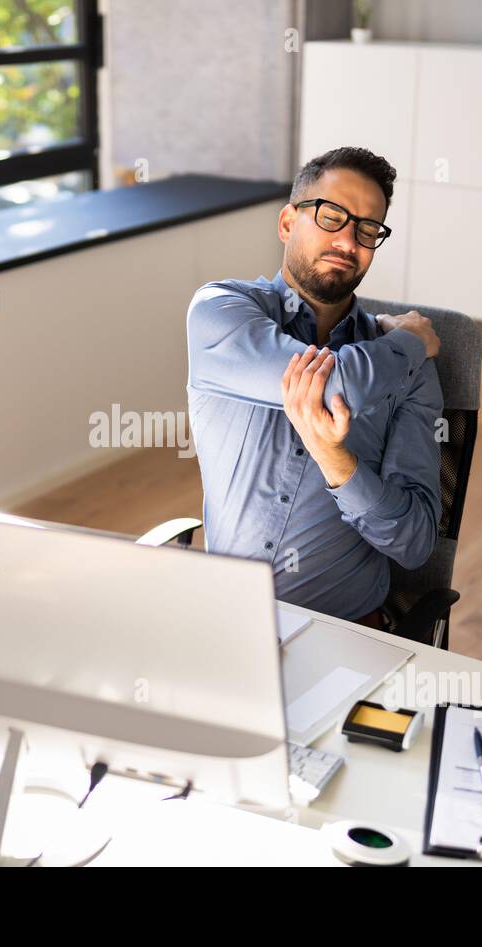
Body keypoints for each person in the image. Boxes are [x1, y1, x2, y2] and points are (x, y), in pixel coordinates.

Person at [186, 146, 443, 628]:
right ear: (287, 223)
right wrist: (410, 343)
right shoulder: (219, 312)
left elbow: (415, 542)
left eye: (368, 229)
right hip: (222, 621)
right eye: (332, 216)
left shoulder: (408, 368)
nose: (349, 240)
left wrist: (339, 465)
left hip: (346, 628)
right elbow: (333, 385)